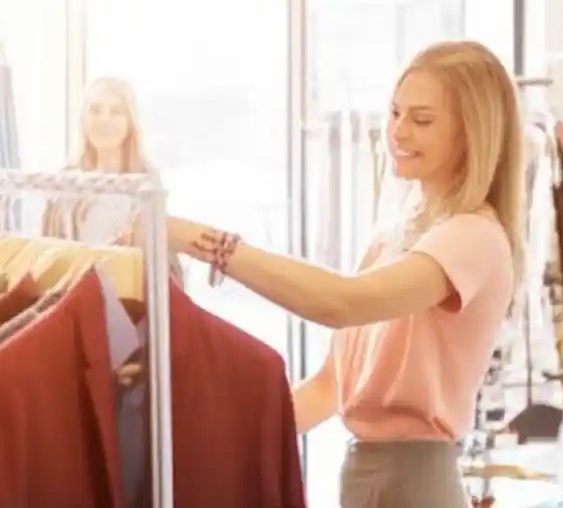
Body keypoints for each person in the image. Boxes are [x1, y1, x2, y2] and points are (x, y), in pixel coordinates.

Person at [168, 40, 524, 507]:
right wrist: (221, 445)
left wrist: (207, 243)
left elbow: (340, 303)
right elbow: (328, 387)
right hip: (362, 474)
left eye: (421, 120)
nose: (398, 131)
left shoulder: (473, 237)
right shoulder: (396, 236)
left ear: (472, 133)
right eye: (395, 113)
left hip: (415, 483)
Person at [44, 76, 153, 245]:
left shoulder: (147, 180)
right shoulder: (63, 181)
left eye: (116, 112)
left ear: (130, 123)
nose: (104, 120)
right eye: (95, 110)